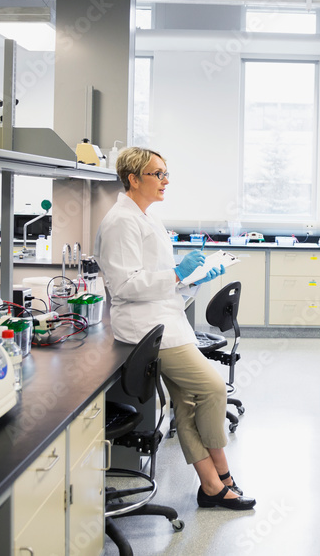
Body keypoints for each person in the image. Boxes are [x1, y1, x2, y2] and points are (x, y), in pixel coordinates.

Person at [94, 147, 254, 511]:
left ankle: (211, 486)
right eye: (158, 174)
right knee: (213, 388)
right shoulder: (121, 221)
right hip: (148, 328)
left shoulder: (147, 218)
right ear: (134, 179)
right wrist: (177, 274)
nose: (166, 181)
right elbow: (124, 286)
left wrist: (192, 279)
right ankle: (223, 474)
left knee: (185, 402)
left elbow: (161, 281)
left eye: (166, 173)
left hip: (166, 320)